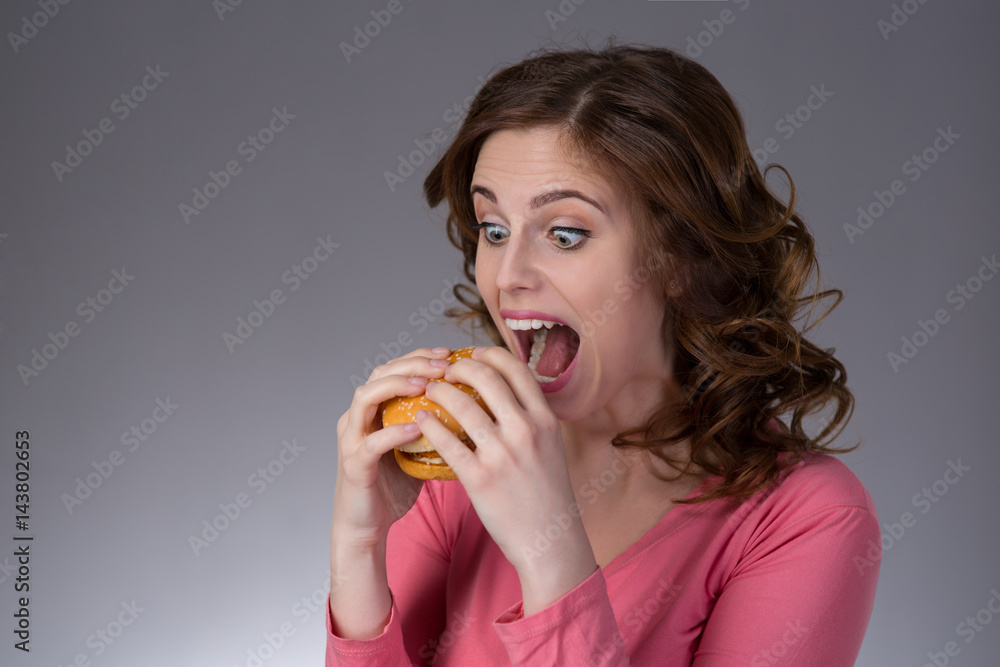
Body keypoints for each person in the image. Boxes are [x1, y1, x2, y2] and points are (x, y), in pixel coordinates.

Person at [326, 42, 881, 666]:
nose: (507, 276)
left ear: (679, 256)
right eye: (494, 229)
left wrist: (549, 553)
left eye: (566, 234)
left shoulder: (807, 518)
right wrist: (358, 546)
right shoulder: (459, 461)